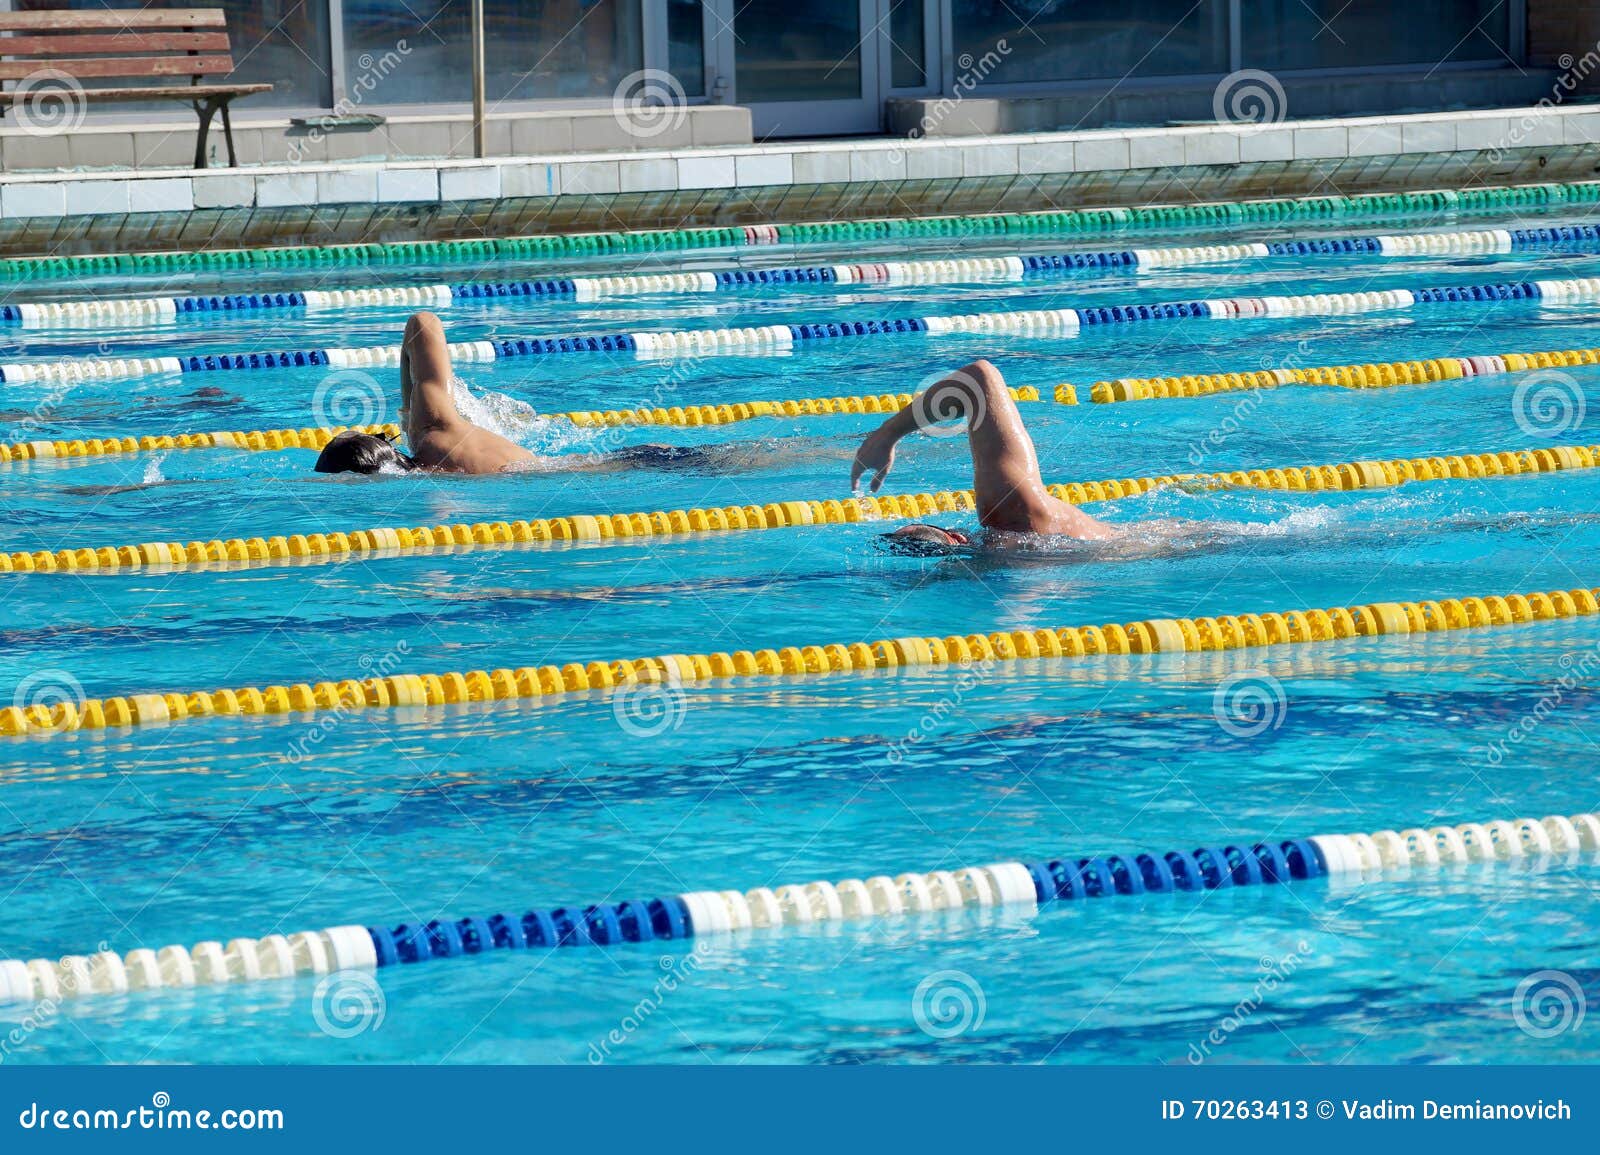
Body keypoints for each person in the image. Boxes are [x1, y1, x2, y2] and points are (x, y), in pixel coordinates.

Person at [314, 312, 840, 477]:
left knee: (723, 466)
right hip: (614, 462)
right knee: (732, 461)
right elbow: (424, 325)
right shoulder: (431, 430)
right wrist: (409, 400)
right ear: (377, 444)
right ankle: (834, 453)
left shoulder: (432, 474)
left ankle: (833, 455)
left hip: (581, 473)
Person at [851, 359, 1118, 549]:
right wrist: (886, 436)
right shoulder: (1010, 510)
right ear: (956, 537)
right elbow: (980, 377)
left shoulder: (1007, 571)